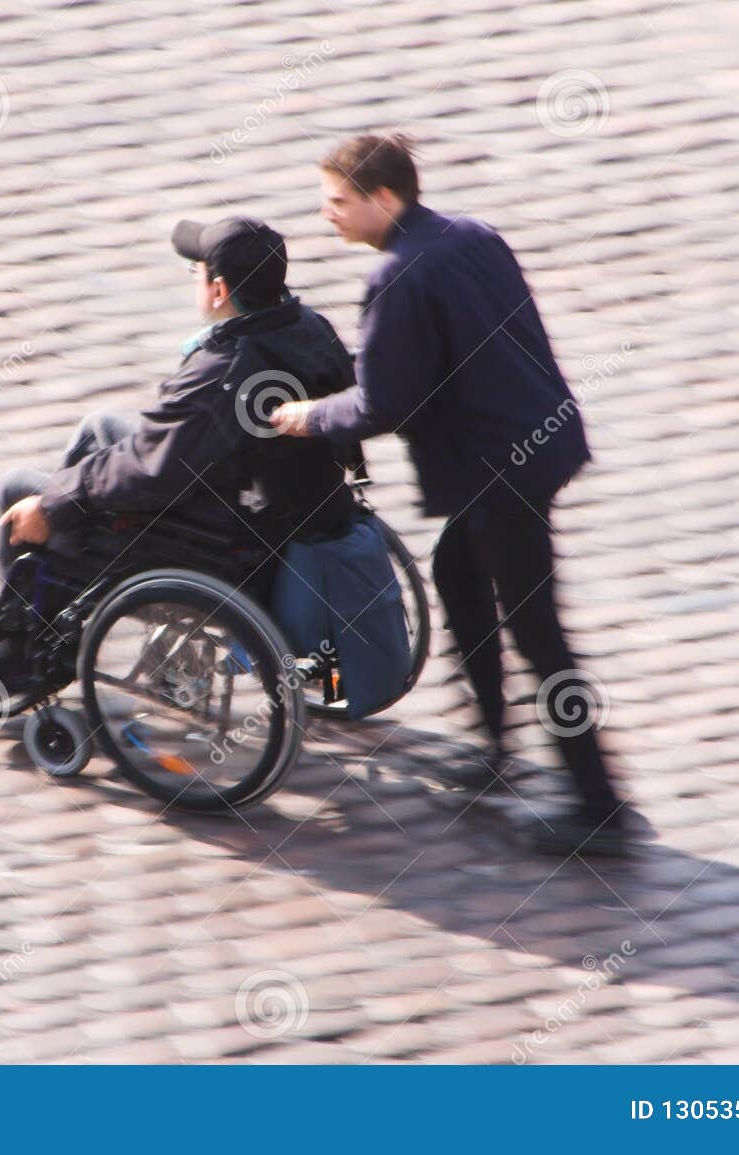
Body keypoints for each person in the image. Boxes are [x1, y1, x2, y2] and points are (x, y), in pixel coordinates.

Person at [271, 133, 629, 857]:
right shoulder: (471, 236)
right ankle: (493, 747)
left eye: (338, 201)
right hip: (538, 443)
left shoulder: (397, 276)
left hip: (497, 472)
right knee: (457, 574)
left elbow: (385, 403)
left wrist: (308, 417)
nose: (326, 213)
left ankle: (600, 808)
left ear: (384, 199)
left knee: (539, 635)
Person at [0, 215, 360, 672]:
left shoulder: (223, 370)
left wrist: (54, 505)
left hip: (226, 547)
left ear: (218, 290)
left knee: (20, 490)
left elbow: (151, 470)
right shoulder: (309, 328)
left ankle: (14, 652)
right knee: (99, 428)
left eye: (196, 272)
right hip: (282, 514)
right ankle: (49, 613)